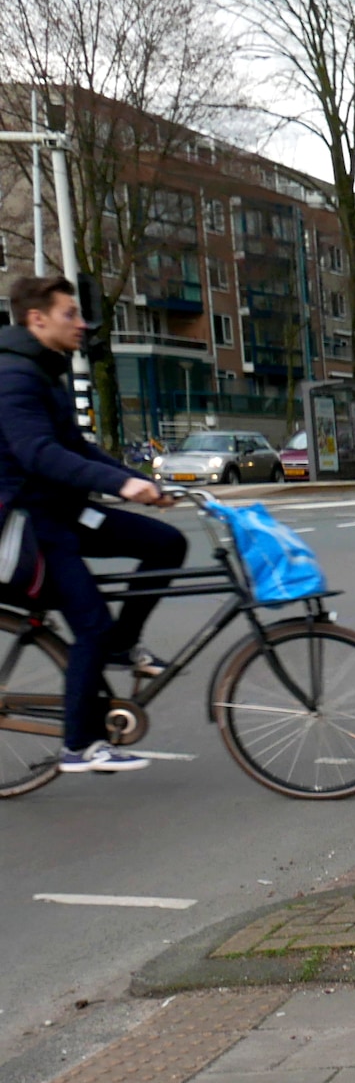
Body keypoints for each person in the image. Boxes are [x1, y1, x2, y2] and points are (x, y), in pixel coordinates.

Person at [0, 274, 182, 774]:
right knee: (91, 624)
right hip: (32, 526)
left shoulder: (41, 370)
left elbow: (77, 449)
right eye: (70, 314)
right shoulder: (13, 377)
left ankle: (123, 647)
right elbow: (38, 454)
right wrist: (122, 487)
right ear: (37, 319)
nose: (82, 324)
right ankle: (79, 745)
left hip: (64, 512)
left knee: (167, 544)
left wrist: (141, 482)